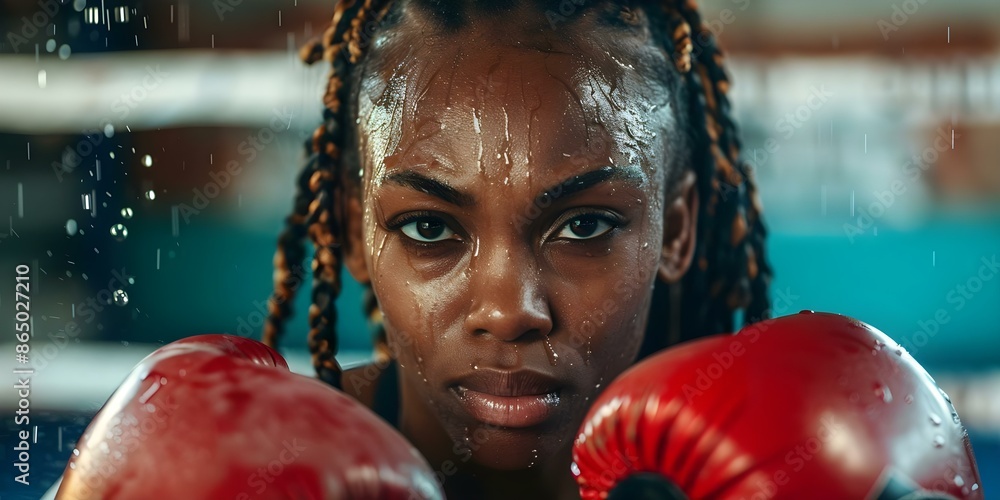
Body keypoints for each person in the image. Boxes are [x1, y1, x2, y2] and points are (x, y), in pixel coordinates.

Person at [262, 0, 771, 498]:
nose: (509, 314)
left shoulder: (777, 466)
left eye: (584, 226)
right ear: (356, 232)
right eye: (429, 228)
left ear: (676, 230)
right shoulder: (271, 462)